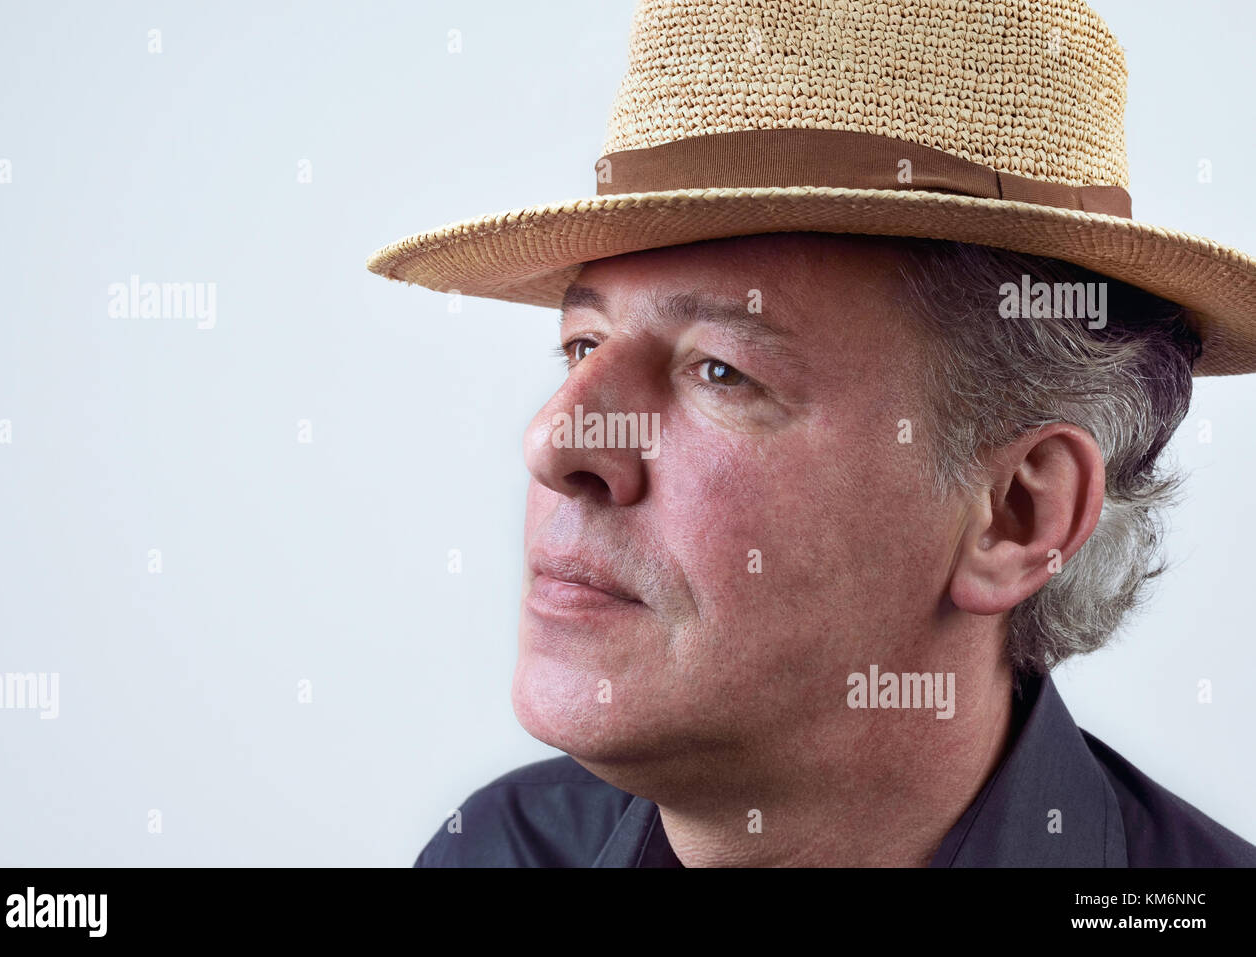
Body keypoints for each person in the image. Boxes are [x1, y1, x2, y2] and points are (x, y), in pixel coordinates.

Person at [367, 0, 1256, 866]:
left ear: (1017, 515)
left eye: (721, 370)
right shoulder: (502, 848)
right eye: (582, 345)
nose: (553, 443)